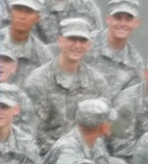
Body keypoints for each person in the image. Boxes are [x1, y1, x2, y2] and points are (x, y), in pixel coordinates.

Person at [22, 18, 114, 153]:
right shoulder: (38, 81)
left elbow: (104, 128)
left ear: (88, 45)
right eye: (72, 39)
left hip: (88, 155)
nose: (77, 45)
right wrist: (66, 151)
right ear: (60, 41)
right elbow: (32, 132)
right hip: (49, 155)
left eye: (82, 41)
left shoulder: (97, 83)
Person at [94, 0, 144, 96]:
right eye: (118, 18)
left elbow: (129, 100)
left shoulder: (135, 63)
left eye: (128, 19)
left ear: (136, 23)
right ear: (108, 20)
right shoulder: (84, 43)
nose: (122, 24)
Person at [0, 0, 53, 78]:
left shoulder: (42, 55)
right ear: (10, 13)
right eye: (18, 10)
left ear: (37, 18)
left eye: (28, 12)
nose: (22, 16)